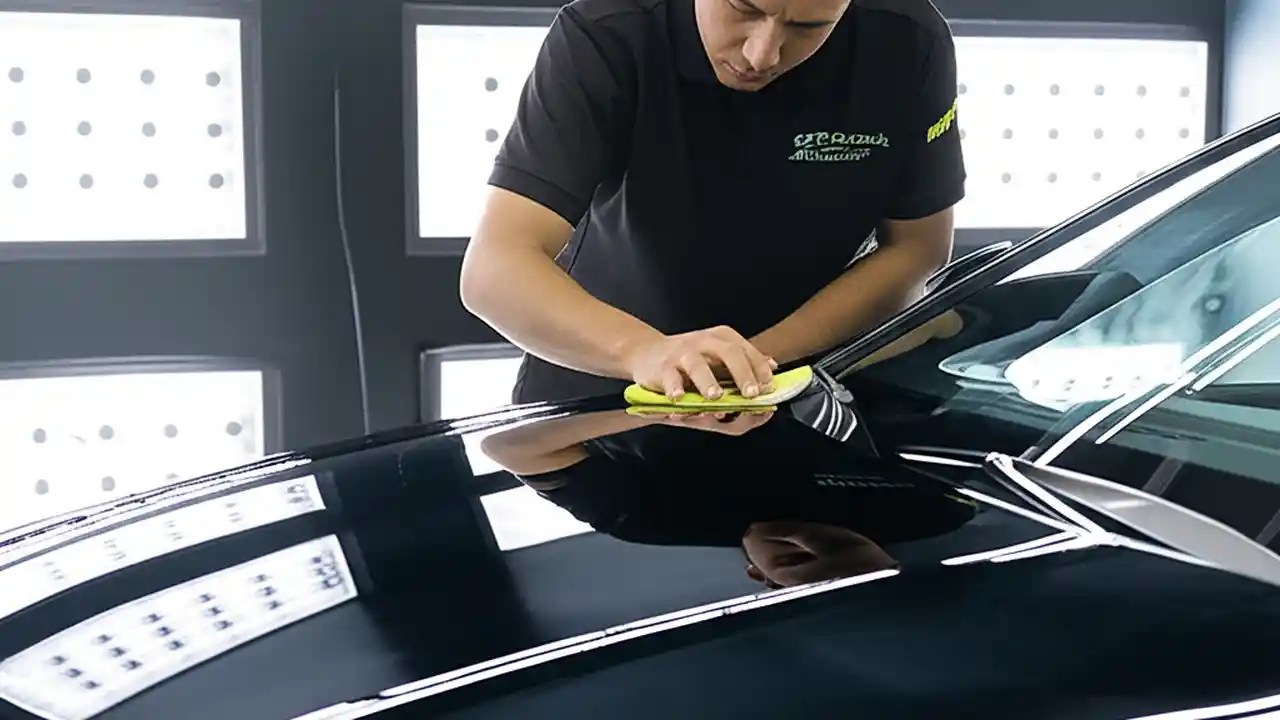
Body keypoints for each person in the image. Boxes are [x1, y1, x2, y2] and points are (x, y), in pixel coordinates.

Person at [460, 0, 966, 404]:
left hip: (803, 385)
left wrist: (755, 361)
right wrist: (646, 352)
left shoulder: (909, 39)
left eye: (810, 26)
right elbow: (495, 267)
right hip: (606, 386)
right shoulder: (606, 32)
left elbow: (917, 251)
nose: (762, 54)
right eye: (744, 9)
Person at [481, 408, 976, 588]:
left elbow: (509, 447)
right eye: (842, 547)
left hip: (643, 335)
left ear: (757, 574)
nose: (805, 533)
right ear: (888, 558)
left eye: (794, 556)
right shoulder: (936, 509)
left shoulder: (655, 520)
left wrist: (672, 409)